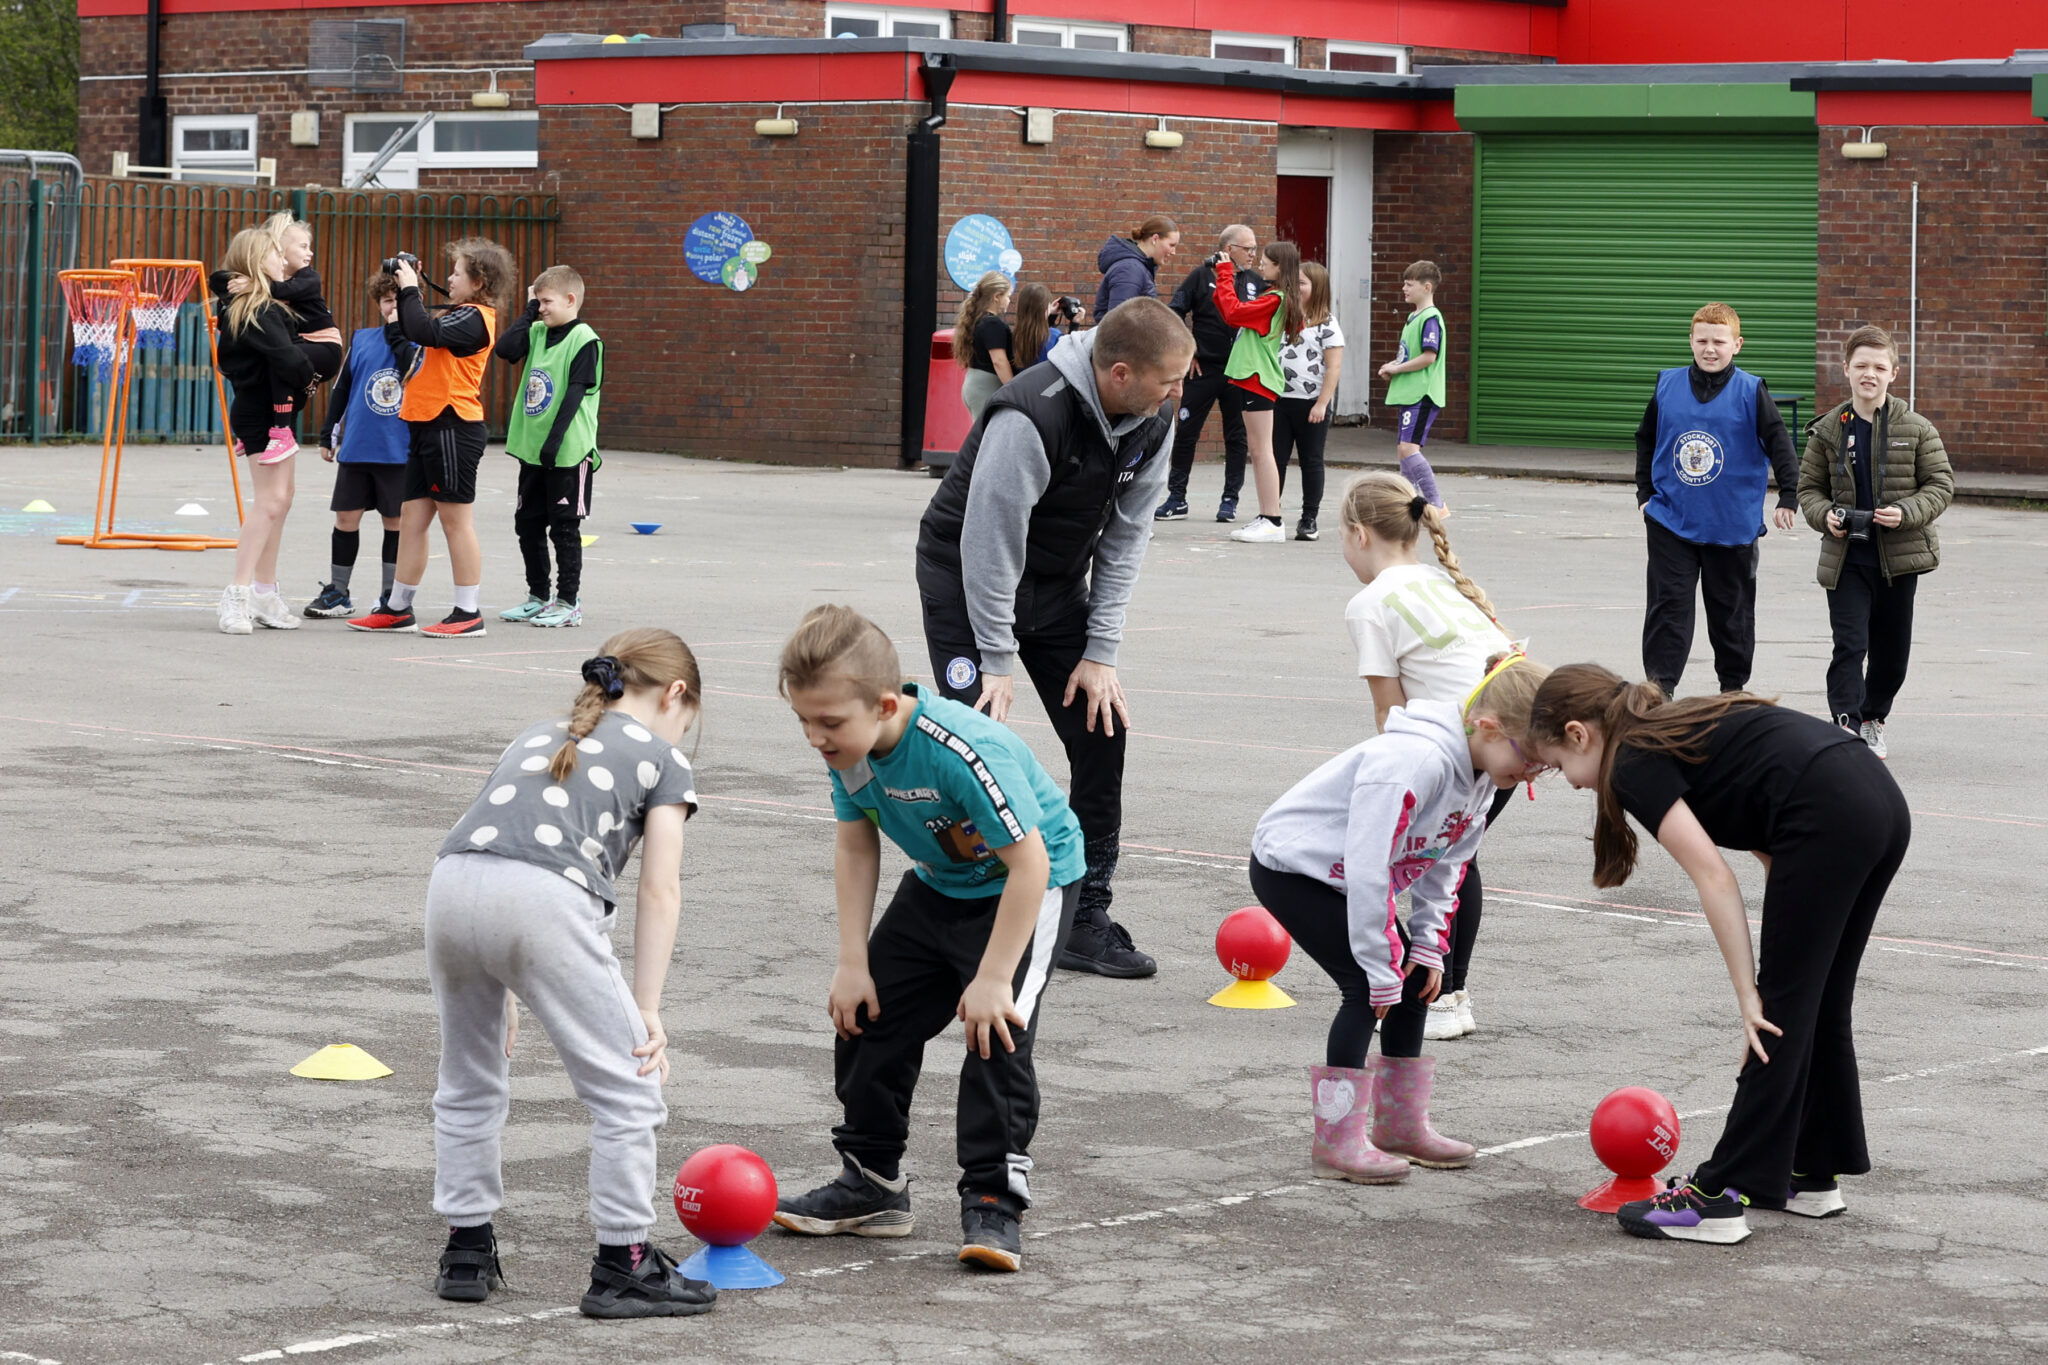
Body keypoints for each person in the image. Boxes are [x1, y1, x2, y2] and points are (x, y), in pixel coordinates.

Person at [1522, 664, 1909, 1246]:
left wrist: (1749, 994)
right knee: (1819, 1002)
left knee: (1777, 1013)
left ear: (1580, 734)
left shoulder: (1632, 761)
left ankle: (1719, 1197)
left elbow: (1714, 877)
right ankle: (1811, 1174)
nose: (1571, 783)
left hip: (1833, 811)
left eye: (1558, 765)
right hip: (1876, 800)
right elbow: (1768, 825)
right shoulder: (1674, 729)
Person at [772, 606, 1085, 1274]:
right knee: (866, 1013)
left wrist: (995, 976)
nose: (814, 737)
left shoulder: (961, 750)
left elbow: (1029, 863)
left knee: (994, 1029)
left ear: (887, 703)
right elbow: (856, 842)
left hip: (1028, 883)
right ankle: (872, 1184)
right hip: (942, 881)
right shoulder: (851, 751)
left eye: (828, 722)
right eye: (803, 719)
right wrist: (852, 961)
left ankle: (994, 1199)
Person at [427, 628, 717, 1316]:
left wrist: (511, 971)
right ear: (675, 694)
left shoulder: (538, 732)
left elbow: (513, 834)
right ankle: (625, 1261)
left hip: (453, 883)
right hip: (543, 898)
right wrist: (648, 1008)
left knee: (467, 1079)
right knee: (629, 1088)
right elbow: (659, 890)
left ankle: (465, 1247)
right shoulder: (661, 759)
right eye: (688, 720)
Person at [915, 297, 1194, 979]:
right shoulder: (1030, 414)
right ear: (1120, 373)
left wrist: (1101, 652)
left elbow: (1127, 539)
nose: (1180, 392)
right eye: (1170, 379)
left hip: (1056, 583)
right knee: (973, 741)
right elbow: (989, 543)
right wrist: (995, 656)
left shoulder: (1151, 422)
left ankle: (1083, 915)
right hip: (967, 577)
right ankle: (966, 909)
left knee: (1103, 727)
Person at [1249, 651, 1550, 1184]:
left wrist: (1429, 946)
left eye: (1542, 766)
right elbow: (1368, 862)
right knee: (1368, 986)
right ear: (1487, 724)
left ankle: (1400, 1127)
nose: (1531, 772)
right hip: (1296, 868)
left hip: (1355, 878)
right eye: (1529, 756)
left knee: (1414, 981)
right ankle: (1338, 1143)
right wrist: (1378, 960)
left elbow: (1448, 860)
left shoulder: (1483, 777)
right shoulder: (1416, 761)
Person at [1337, 471, 1517, 1042]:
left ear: (1359, 534)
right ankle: (1445, 986)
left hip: (1466, 744)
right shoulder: (1441, 581)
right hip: (1506, 734)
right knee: (1455, 855)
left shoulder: (1370, 602)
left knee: (1440, 856)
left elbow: (1390, 717)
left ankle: (1439, 991)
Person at [1796, 325, 1953, 758]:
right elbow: (1808, 489)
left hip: (1898, 560)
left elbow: (1940, 485)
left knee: (1891, 653)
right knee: (1849, 643)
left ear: (1894, 373)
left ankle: (1872, 718)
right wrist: (1824, 516)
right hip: (1846, 559)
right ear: (1845, 369)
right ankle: (1844, 724)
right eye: (1861, 365)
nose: (1870, 374)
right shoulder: (1827, 430)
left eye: (1879, 367)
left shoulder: (1918, 428)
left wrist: (1907, 513)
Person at [346, 237, 515, 639]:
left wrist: (409, 287)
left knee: (456, 523)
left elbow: (421, 329)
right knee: (412, 522)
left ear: (479, 281)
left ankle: (468, 612)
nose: (450, 279)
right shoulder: (459, 313)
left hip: (452, 426)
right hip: (426, 425)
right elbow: (415, 328)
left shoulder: (475, 317)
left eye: (457, 273)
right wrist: (412, 285)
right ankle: (398, 608)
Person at [1634, 302, 1799, 697]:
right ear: (1690, 341)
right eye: (1703, 340)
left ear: (1736, 345)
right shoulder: (1667, 385)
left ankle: (1732, 689)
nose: (1711, 349)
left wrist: (1788, 496)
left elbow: (1781, 446)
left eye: (1719, 342)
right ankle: (1660, 690)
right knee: (1668, 608)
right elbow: (1645, 439)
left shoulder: (1751, 390)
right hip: (1671, 520)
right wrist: (1644, 493)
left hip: (1731, 525)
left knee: (1732, 613)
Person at [210, 224, 316, 635]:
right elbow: (288, 360)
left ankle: (264, 593)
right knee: (269, 501)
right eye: (274, 253)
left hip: (271, 411)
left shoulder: (257, 302)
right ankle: (236, 593)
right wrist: (311, 372)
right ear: (257, 261)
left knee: (282, 499)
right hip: (261, 413)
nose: (281, 259)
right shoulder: (257, 309)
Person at [495, 264, 606, 631]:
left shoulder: (585, 339)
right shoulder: (538, 331)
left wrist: (554, 442)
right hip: (534, 451)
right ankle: (538, 596)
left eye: (546, 301)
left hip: (567, 451)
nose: (540, 307)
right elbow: (505, 349)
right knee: (527, 524)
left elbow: (575, 395)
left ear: (570, 300)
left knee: (563, 528)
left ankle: (568, 601)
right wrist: (528, 312)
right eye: (537, 301)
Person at [305, 272, 415, 620]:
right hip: (358, 445)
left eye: (399, 301)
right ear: (378, 303)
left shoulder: (419, 343)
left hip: (398, 449)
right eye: (386, 301)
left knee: (394, 521)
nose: (392, 307)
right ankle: (339, 592)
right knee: (346, 518)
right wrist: (328, 434)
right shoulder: (362, 339)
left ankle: (390, 594)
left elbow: (408, 368)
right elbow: (341, 390)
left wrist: (400, 329)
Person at [1157, 224, 1258, 523]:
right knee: (1186, 431)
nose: (1254, 254)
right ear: (1229, 249)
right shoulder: (1200, 276)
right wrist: (1189, 350)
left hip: (1239, 371)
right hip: (1205, 368)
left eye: (1254, 248)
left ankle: (1230, 499)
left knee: (1236, 436)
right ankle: (1177, 498)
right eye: (1248, 248)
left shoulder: (1255, 281)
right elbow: (1173, 312)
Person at [1211, 239, 1300, 543]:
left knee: (1262, 452)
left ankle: (1272, 520)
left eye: (1266, 260)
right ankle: (1267, 517)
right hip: (1255, 378)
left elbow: (1232, 312)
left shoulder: (1274, 299)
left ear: (1279, 266)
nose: (1261, 264)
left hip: (1258, 378)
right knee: (1260, 451)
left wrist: (1224, 273)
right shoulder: (1275, 298)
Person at [1274, 261, 1345, 541]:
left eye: (1301, 283)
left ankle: (1309, 518)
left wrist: (1321, 403)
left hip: (1309, 403)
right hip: (1278, 400)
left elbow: (1334, 367)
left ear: (1316, 288)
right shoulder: (1282, 317)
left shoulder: (1326, 323)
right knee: (1275, 459)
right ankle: (1272, 515)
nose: (1295, 288)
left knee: (1311, 461)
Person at [1378, 261, 1449, 513]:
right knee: (1403, 451)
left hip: (1423, 393)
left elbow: (1429, 356)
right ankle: (1407, 506)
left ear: (1427, 287)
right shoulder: (1412, 317)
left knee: (1409, 449)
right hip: (1410, 393)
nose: (1404, 288)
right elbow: (1409, 356)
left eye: (1409, 284)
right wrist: (1393, 365)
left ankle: (1436, 503)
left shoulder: (1430, 318)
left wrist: (1397, 369)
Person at [1093, 214, 1179, 320]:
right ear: (1155, 239)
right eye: (1171, 245)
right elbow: (1119, 323)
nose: (1174, 252)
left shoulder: (1138, 268)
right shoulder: (1130, 270)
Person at [954, 271, 1014, 422]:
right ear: (996, 297)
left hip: (975, 384)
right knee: (988, 439)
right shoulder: (993, 324)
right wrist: (1013, 389)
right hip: (986, 387)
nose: (1009, 300)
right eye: (1007, 296)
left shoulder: (978, 320)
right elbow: (999, 361)